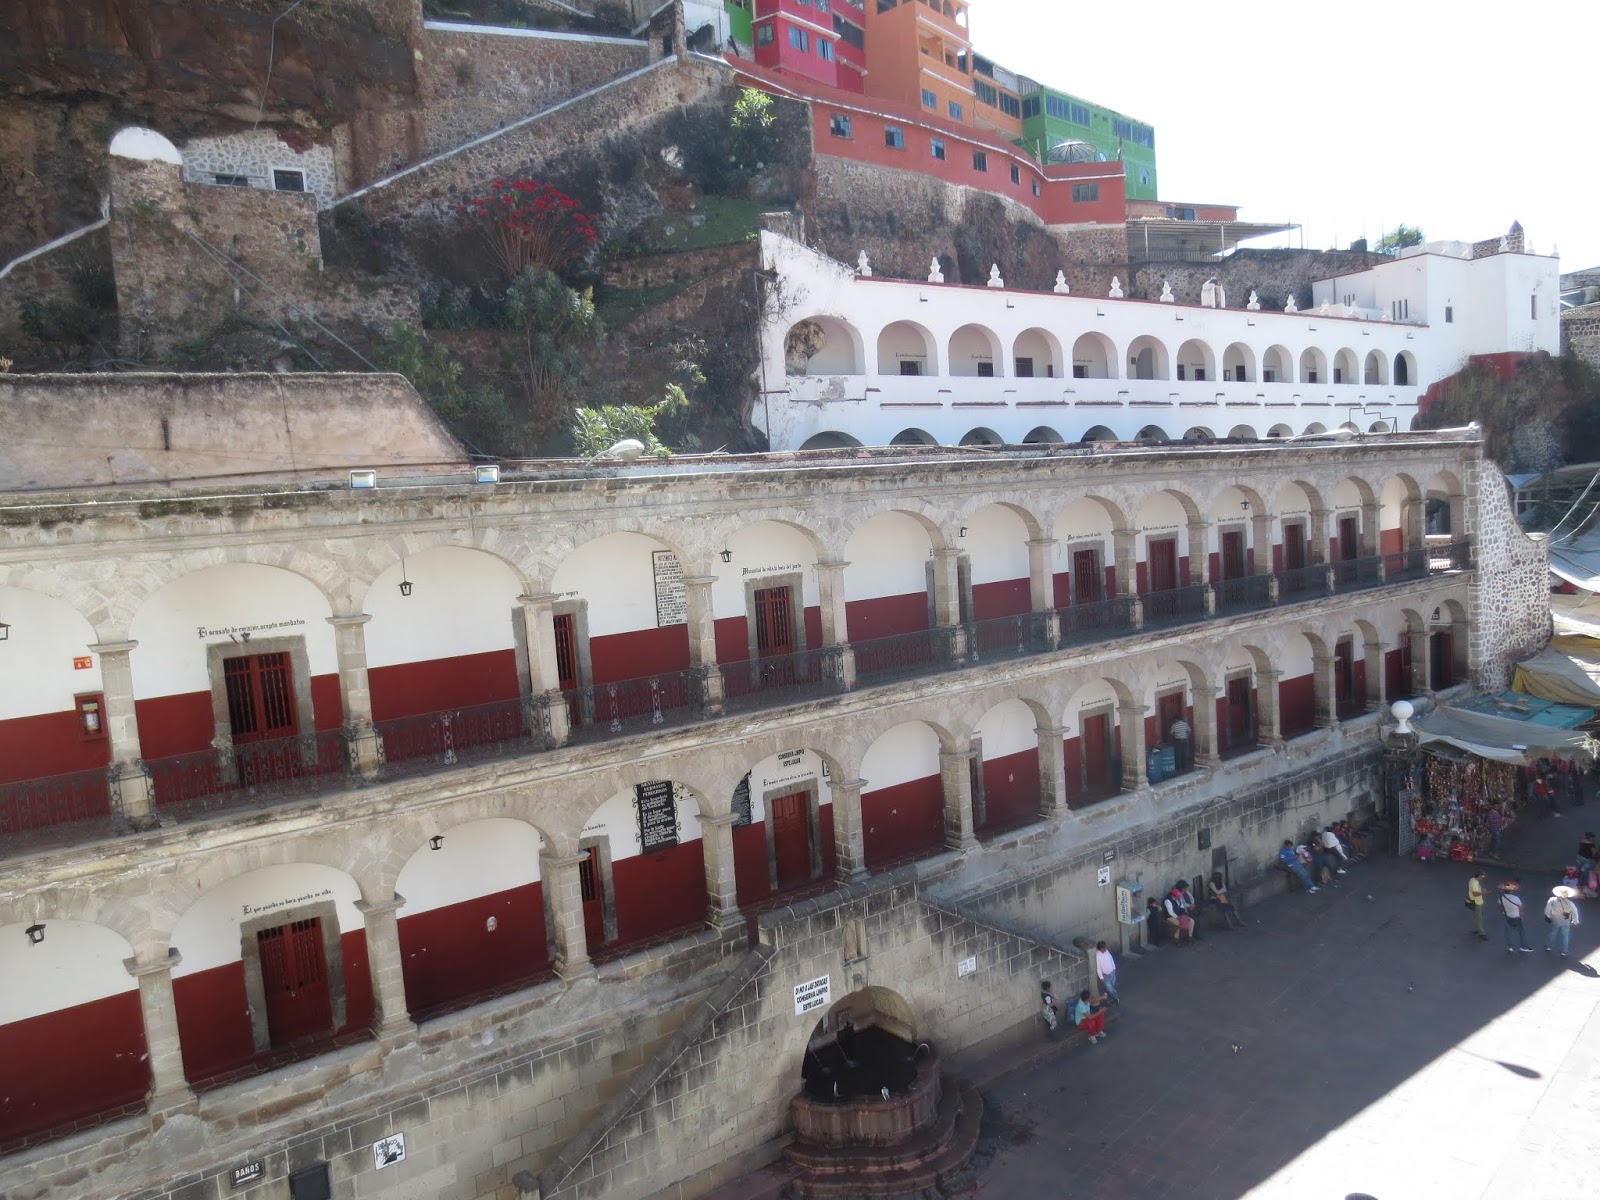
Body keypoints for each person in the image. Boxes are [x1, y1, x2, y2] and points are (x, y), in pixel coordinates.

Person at [1545, 885, 1581, 957]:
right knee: (1565, 936)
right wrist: (1575, 921)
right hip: (1566, 920)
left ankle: (1549, 946)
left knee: (1553, 933)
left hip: (1555, 919)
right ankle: (1564, 951)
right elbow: (1574, 912)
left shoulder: (1552, 900)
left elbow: (1547, 909)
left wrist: (1548, 916)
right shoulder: (1570, 903)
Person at [1499, 881, 1533, 953]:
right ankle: (1523, 947)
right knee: (1521, 931)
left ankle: (1510, 946)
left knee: (1508, 932)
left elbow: (1500, 907)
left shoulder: (1500, 898)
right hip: (1517, 917)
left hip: (1507, 916)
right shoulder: (1516, 898)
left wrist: (1504, 912)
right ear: (1511, 890)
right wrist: (1521, 914)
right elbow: (1521, 908)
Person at [1467, 870, 1488, 941]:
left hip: (1473, 901)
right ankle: (1482, 933)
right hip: (1477, 902)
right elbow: (1475, 894)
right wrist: (1483, 892)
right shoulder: (1475, 883)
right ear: (1478, 876)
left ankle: (1476, 929)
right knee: (1479, 918)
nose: (1483, 878)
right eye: (1482, 877)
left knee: (1476, 916)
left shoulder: (1472, 879)